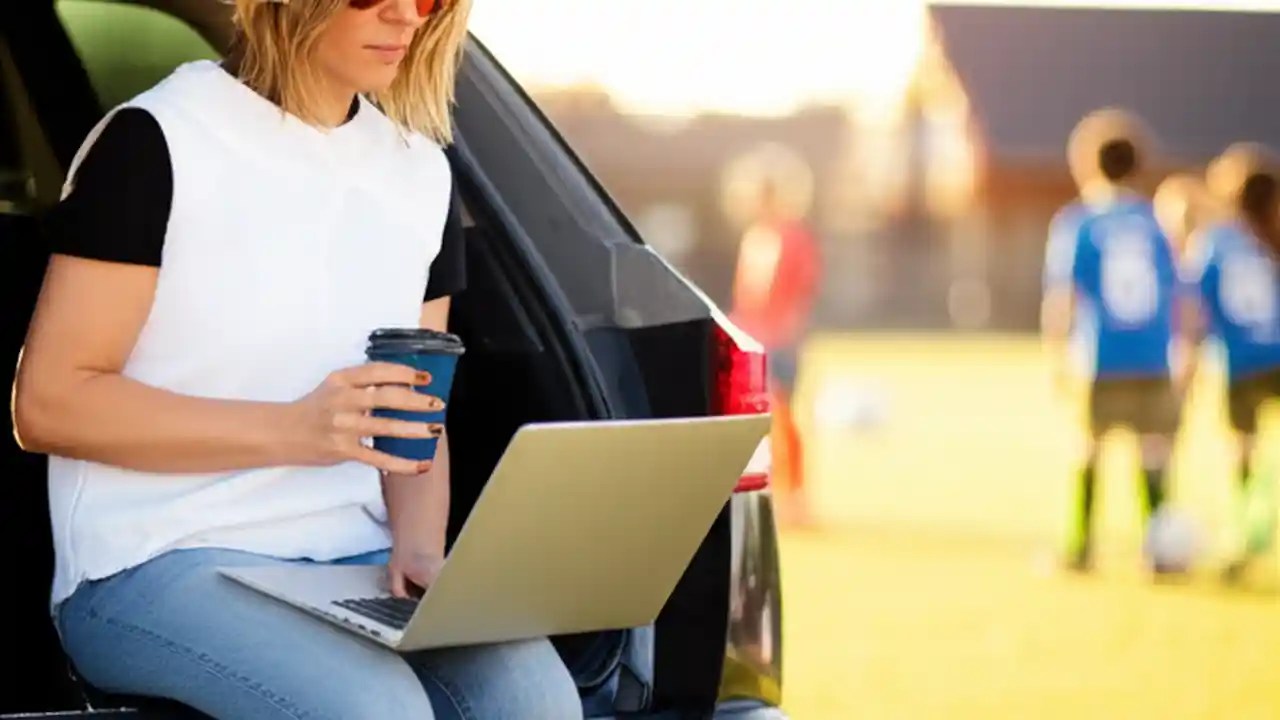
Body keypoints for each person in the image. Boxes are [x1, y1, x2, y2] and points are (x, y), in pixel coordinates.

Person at [10, 1, 583, 717]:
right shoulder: (156, 141)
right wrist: (296, 430)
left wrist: (419, 546)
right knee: (374, 709)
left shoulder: (420, 173)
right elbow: (49, 403)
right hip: (154, 560)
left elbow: (416, 412)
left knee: (539, 699)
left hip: (348, 565)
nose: (408, 18)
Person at [1041, 109, 1187, 574]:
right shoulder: (1156, 222)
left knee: (1088, 446)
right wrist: (1184, 350)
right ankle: (1161, 553)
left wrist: (1056, 355)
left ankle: (1081, 548)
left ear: (1087, 165)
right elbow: (1180, 295)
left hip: (1101, 355)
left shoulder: (1078, 223)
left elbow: (1063, 297)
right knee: (1154, 450)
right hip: (1151, 354)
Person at [1183, 143, 1280, 581]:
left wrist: (1189, 363)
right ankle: (1257, 525)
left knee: (1243, 450)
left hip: (1240, 362)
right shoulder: (1271, 239)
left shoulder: (1216, 241)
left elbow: (1192, 307)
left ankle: (1247, 534)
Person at [730, 179, 820, 528]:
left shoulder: (793, 237)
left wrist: (788, 330)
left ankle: (795, 496)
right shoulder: (757, 238)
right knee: (764, 420)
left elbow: (801, 289)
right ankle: (773, 492)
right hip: (758, 340)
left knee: (784, 419)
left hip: (780, 340)